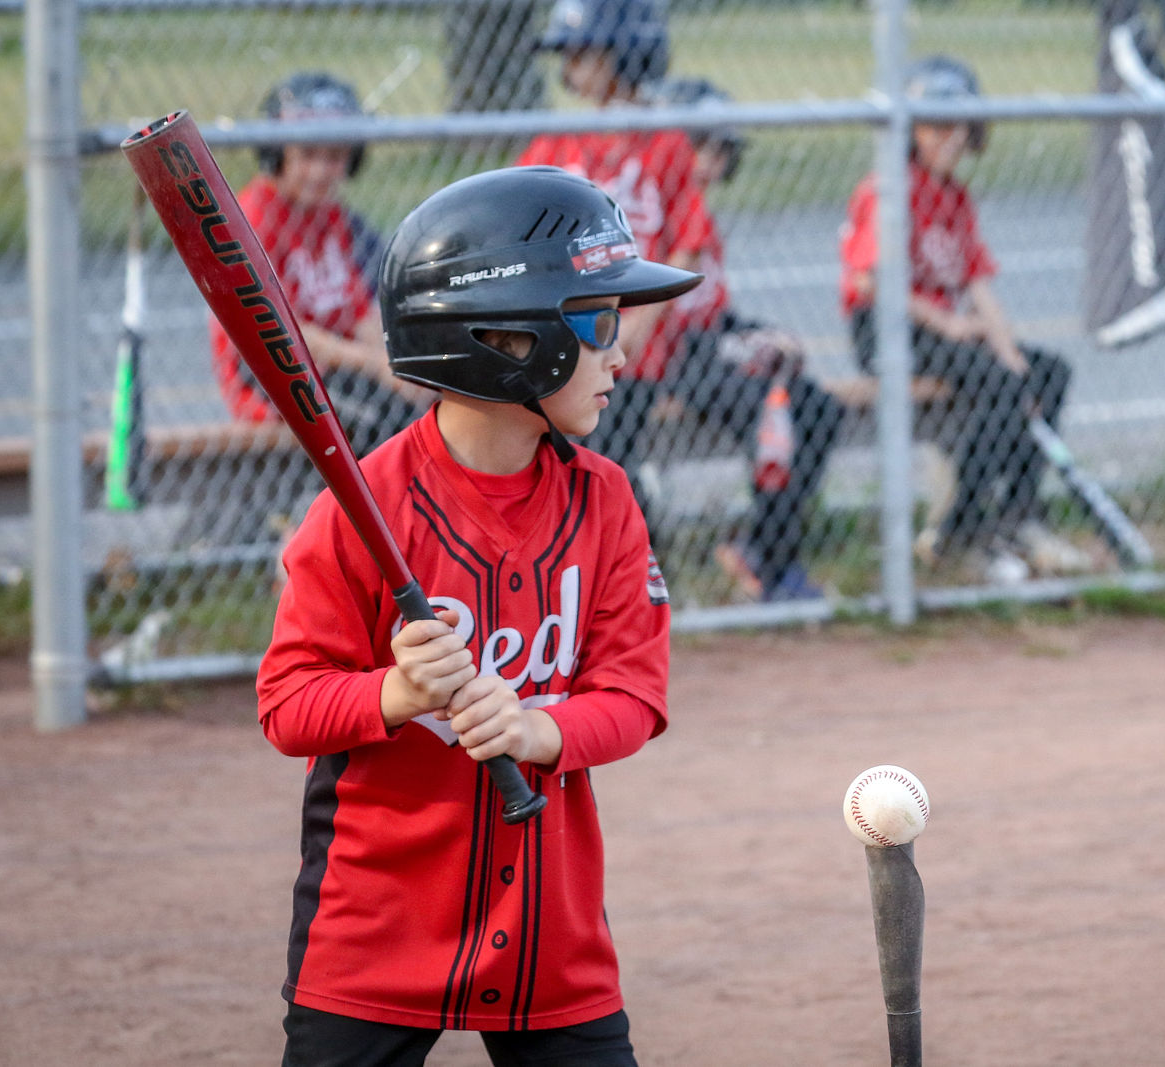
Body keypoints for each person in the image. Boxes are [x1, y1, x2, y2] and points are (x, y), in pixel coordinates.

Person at [257, 165, 701, 1064]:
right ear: (511, 339)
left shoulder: (608, 500)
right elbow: (288, 705)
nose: (621, 354)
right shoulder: (362, 507)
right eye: (598, 321)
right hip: (376, 930)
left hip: (550, 931)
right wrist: (398, 691)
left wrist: (541, 726)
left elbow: (634, 695)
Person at [839, 54, 1084, 580]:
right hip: (887, 329)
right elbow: (871, 282)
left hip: (939, 333)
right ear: (912, 131)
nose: (950, 138)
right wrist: (948, 325)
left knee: (1044, 373)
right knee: (999, 385)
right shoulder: (889, 189)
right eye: (936, 126)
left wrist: (1011, 353)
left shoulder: (955, 197)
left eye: (960, 127)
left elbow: (978, 287)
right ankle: (958, 533)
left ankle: (1020, 516)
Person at [642, 75, 848, 601]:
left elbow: (712, 309)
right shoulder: (645, 210)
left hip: (709, 347)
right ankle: (776, 573)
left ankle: (763, 546)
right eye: (701, 147)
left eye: (720, 150)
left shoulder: (701, 211)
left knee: (819, 407)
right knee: (770, 413)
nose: (712, 162)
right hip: (669, 358)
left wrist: (761, 335)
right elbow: (661, 316)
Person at [514, 0, 698, 526]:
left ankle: (635, 557)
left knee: (603, 464)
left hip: (637, 348)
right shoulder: (559, 140)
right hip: (567, 340)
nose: (569, 67)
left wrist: (640, 324)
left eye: (582, 53)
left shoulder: (665, 141)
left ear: (628, 54)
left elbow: (686, 243)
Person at [211, 71, 426, 459]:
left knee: (422, 406)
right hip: (275, 375)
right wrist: (378, 367)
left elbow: (359, 314)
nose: (321, 171)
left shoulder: (330, 216)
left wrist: (402, 364)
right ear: (276, 155)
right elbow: (285, 334)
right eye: (307, 156)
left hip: (336, 371)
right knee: (393, 419)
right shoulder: (253, 218)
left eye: (334, 158)